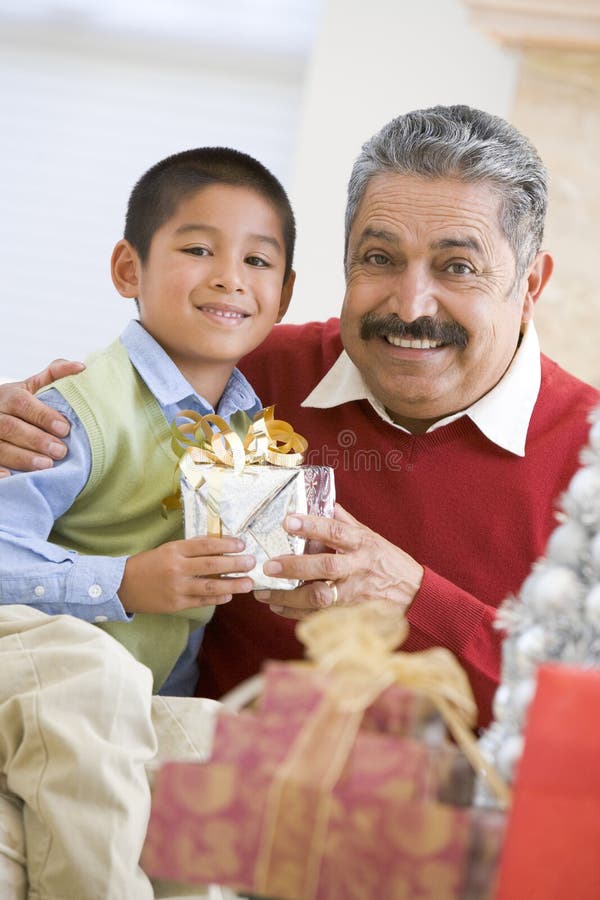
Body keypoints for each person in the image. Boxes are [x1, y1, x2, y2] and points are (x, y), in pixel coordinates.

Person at [2, 105, 599, 734]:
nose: (410, 304)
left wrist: (414, 598)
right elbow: (94, 437)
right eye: (379, 257)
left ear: (530, 284)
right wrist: (23, 419)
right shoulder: (240, 378)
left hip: (453, 815)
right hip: (198, 790)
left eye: (457, 267)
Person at [0, 146, 296, 898]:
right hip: (34, 666)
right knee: (91, 674)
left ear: (286, 294)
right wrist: (125, 582)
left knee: (195, 746)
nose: (231, 275)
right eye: (199, 249)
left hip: (122, 708)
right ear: (129, 270)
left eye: (258, 261)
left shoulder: (252, 438)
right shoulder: (71, 409)